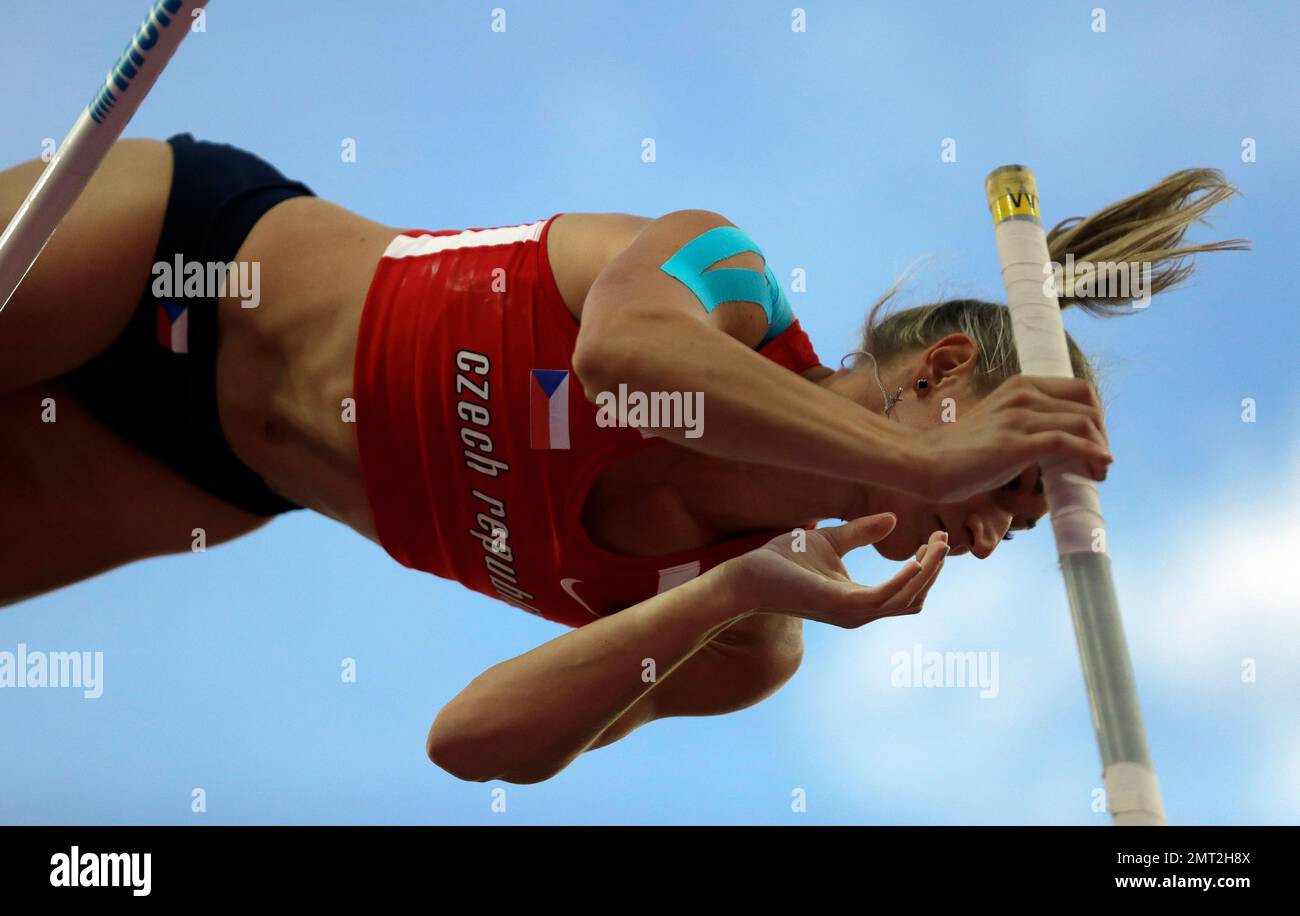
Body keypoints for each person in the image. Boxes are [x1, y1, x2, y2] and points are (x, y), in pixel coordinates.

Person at [0, 134, 1243, 781]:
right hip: (189, 255)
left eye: (1014, 527)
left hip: (199, 471)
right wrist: (916, 471)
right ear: (939, 377)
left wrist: (739, 585)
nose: (983, 533)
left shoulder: (750, 637)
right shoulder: (730, 282)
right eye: (1006, 484)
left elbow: (470, 742)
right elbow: (618, 363)